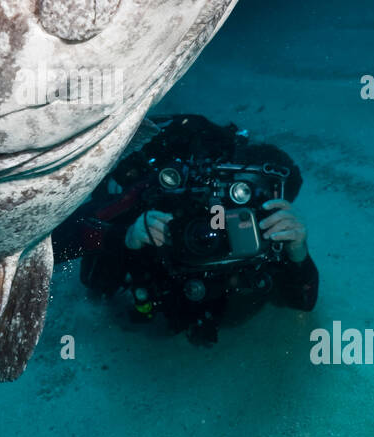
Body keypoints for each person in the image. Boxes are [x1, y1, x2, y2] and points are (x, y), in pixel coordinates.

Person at [52, 113, 318, 345]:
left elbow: (303, 302)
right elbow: (58, 245)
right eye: (230, 189)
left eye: (247, 199)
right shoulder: (167, 202)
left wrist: (298, 251)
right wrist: (125, 238)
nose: (223, 213)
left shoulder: (263, 237)